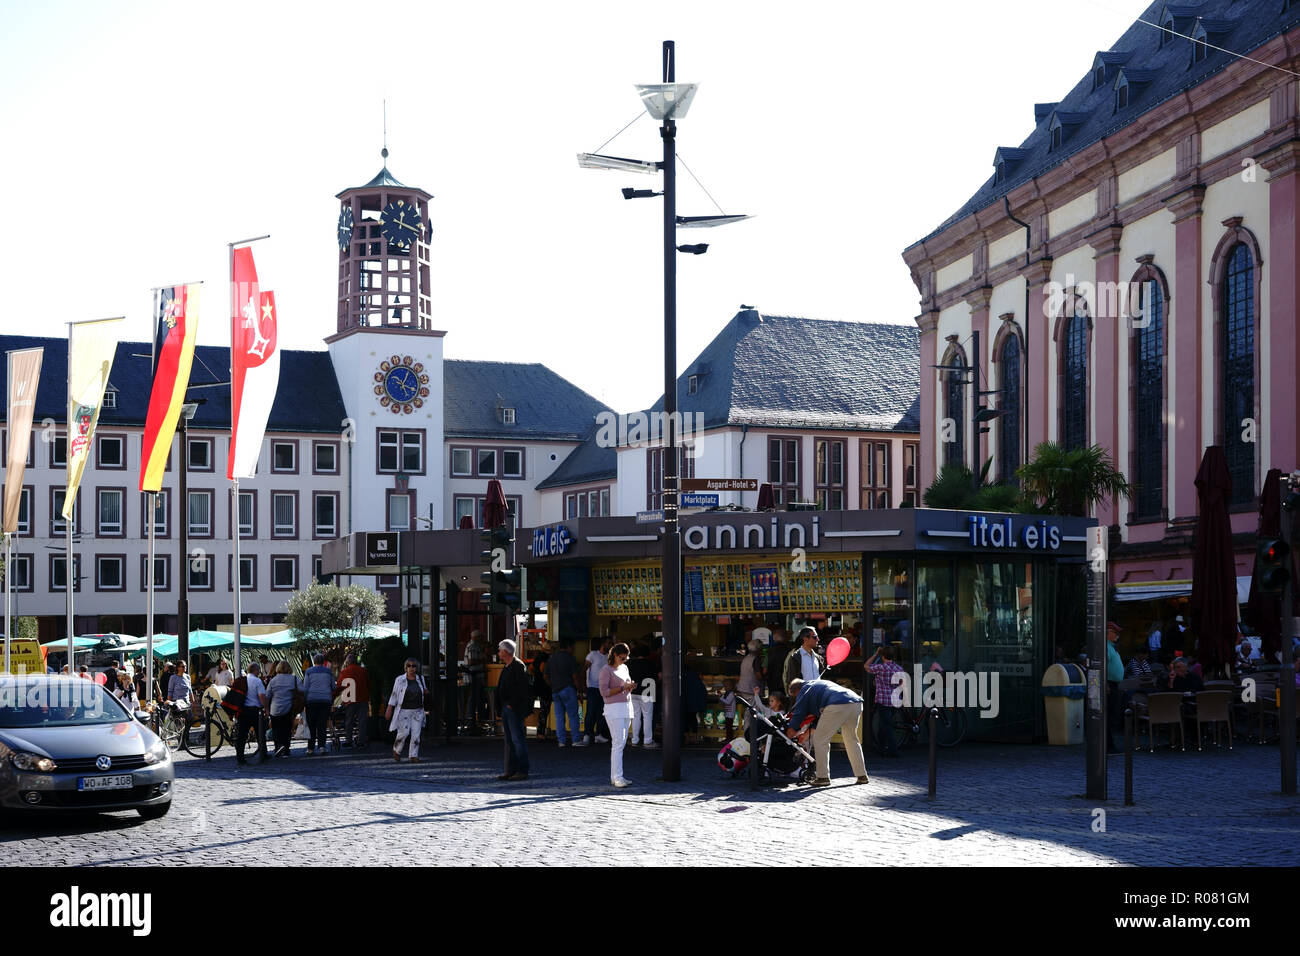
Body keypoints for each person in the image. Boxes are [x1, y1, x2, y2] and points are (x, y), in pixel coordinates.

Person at [785, 678, 868, 786]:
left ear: (796, 691)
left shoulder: (804, 691)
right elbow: (820, 717)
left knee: (820, 740)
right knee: (851, 739)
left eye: (794, 696)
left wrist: (789, 734)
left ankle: (822, 777)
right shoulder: (816, 684)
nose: (796, 698)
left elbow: (798, 715)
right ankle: (862, 775)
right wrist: (805, 734)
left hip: (837, 705)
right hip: (855, 702)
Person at [599, 642, 636, 787]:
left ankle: (617, 776)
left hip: (626, 706)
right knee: (618, 743)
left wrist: (630, 687)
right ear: (614, 655)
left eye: (626, 658)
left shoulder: (624, 668)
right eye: (622, 658)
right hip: (614, 709)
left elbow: (625, 688)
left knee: (620, 743)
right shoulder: (605, 670)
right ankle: (617, 777)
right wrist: (622, 687)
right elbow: (604, 693)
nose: (624, 661)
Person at [495, 640, 532, 781]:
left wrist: (512, 704)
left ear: (506, 652)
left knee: (517, 739)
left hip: (513, 708)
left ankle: (522, 770)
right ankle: (511, 770)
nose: (498, 652)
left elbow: (523, 688)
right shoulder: (508, 666)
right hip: (507, 707)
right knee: (510, 740)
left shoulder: (517, 666)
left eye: (500, 650)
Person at [386, 659, 428, 763]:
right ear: (406, 667)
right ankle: (397, 750)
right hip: (403, 710)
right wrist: (389, 708)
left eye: (414, 666)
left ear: (417, 668)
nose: (411, 668)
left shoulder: (421, 679)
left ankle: (414, 755)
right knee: (403, 733)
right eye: (409, 666)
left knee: (416, 734)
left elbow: (425, 692)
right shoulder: (399, 679)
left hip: (418, 710)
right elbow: (394, 695)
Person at [865, 646, 902, 757]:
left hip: (883, 700)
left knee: (886, 725)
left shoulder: (881, 667)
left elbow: (866, 666)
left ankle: (893, 750)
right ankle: (880, 747)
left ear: (883, 656)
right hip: (894, 700)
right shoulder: (898, 668)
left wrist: (875, 654)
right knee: (883, 723)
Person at [548, 638, 582, 747]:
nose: (573, 650)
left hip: (555, 691)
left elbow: (545, 675)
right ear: (568, 647)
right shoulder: (570, 658)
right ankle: (576, 740)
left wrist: (552, 685)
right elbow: (575, 676)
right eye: (572, 647)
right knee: (573, 716)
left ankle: (561, 741)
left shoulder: (552, 658)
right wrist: (580, 690)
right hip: (568, 689)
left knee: (559, 717)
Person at [265, 661, 302, 758]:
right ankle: (286, 749)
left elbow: (267, 695)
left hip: (275, 709)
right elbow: (303, 690)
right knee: (287, 729)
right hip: (288, 708)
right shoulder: (294, 679)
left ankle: (277, 747)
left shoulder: (273, 680)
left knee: (276, 729)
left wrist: (266, 708)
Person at [235, 662, 269, 765]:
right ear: (255, 670)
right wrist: (266, 708)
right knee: (260, 734)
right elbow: (262, 696)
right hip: (255, 711)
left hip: (243, 710)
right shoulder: (257, 681)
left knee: (242, 735)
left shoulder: (242, 680)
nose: (259, 672)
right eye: (258, 670)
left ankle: (240, 758)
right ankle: (263, 754)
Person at [301, 653, 335, 756]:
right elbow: (333, 686)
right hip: (325, 700)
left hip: (311, 701)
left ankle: (310, 748)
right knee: (322, 724)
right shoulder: (328, 672)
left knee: (311, 725)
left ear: (314, 661)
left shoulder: (309, 671)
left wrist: (304, 700)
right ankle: (322, 747)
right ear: (323, 661)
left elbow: (305, 688)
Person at [336, 653, 371, 749]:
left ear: (347, 662)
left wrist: (333, 696)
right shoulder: (363, 671)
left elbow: (339, 686)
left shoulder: (344, 672)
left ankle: (348, 740)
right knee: (362, 721)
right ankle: (361, 741)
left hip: (349, 700)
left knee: (349, 721)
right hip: (362, 698)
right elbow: (368, 684)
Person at [583, 636, 613, 745]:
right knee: (591, 711)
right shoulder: (593, 655)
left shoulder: (609, 657)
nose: (610, 646)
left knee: (602, 712)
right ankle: (587, 734)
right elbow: (584, 668)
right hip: (593, 687)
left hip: (605, 689)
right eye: (609, 643)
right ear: (603, 644)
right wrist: (583, 686)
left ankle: (598, 734)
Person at [627, 642, 657, 749]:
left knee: (635, 716)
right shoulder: (651, 663)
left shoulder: (629, 663)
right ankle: (647, 740)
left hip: (633, 691)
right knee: (647, 716)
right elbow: (657, 677)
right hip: (648, 690)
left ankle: (635, 739)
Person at [783, 627, 824, 694]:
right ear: (805, 639)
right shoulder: (795, 657)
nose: (817, 639)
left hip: (817, 696)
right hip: (803, 697)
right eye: (815, 637)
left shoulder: (818, 658)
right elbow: (791, 681)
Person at [464, 630, 489, 732]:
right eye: (481, 637)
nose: (483, 639)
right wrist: (483, 660)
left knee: (475, 699)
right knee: (475, 699)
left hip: (475, 677)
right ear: (477, 637)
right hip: (475, 677)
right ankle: (473, 722)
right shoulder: (474, 646)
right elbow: (471, 662)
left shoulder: (473, 645)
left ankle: (474, 721)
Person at [1105, 622, 1124, 754]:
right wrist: (1105, 684)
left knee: (1111, 716)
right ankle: (1108, 745)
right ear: (1108, 633)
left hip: (1113, 685)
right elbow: (1102, 667)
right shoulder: (1106, 647)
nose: (1117, 635)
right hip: (1109, 686)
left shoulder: (1111, 647)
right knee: (1109, 716)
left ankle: (1109, 744)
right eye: (1115, 632)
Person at [531, 642, 552, 741]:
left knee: (542, 710)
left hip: (537, 685)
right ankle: (541, 732)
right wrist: (547, 680)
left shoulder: (537, 657)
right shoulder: (546, 657)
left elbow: (531, 668)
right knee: (544, 709)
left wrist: (536, 676)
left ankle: (541, 731)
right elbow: (543, 669)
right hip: (544, 686)